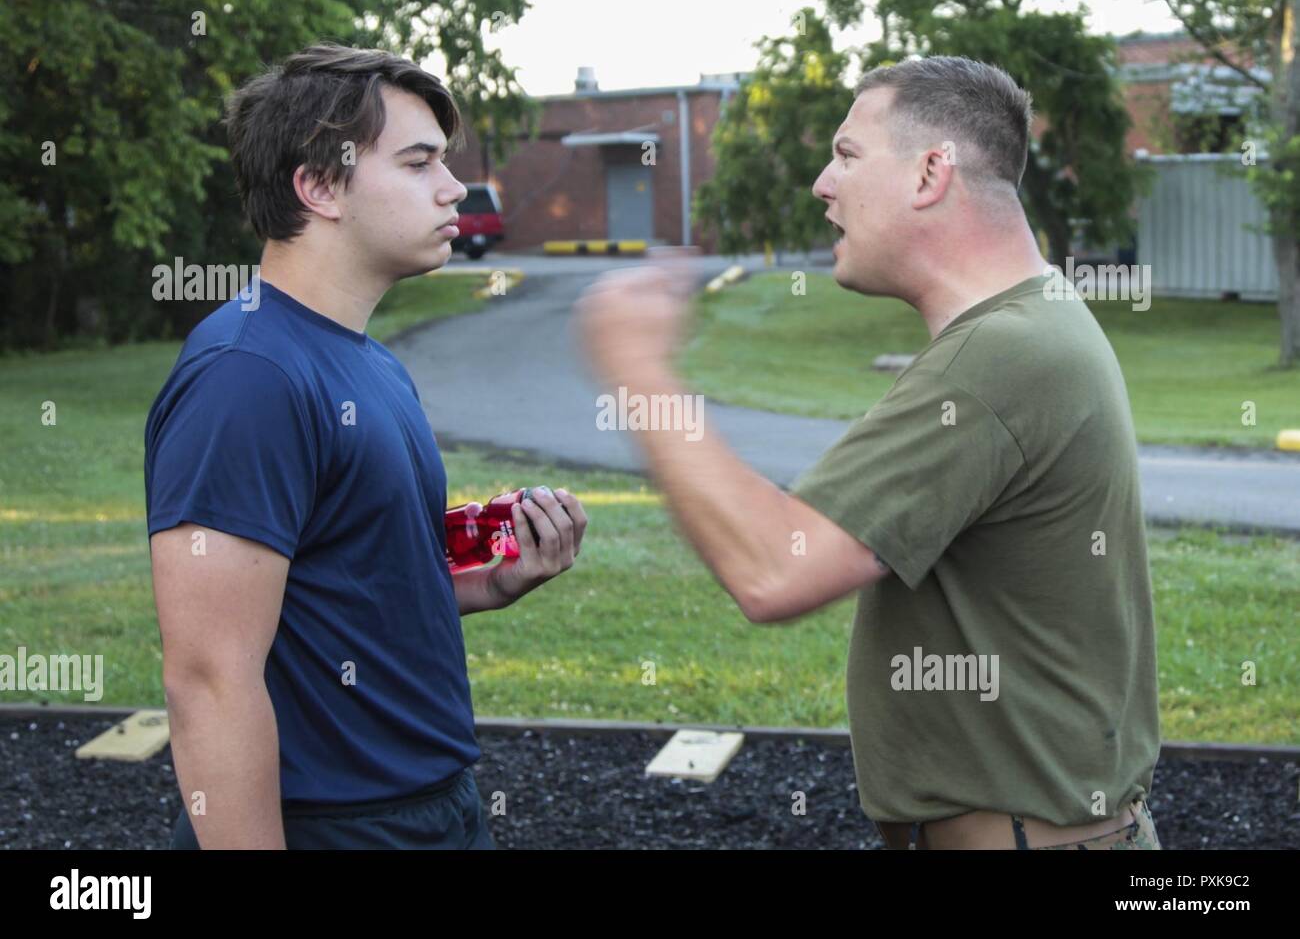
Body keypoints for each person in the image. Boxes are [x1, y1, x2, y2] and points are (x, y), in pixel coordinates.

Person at [577, 56, 1160, 850]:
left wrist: (639, 370)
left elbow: (775, 568)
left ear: (929, 172)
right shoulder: (1039, 321)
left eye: (848, 155)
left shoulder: (1001, 357)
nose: (822, 182)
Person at [145, 44, 587, 850]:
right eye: (419, 164)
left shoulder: (368, 361)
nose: (453, 188)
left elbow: (342, 582)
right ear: (317, 186)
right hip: (333, 827)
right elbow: (210, 680)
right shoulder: (247, 376)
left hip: (430, 806)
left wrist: (485, 581)